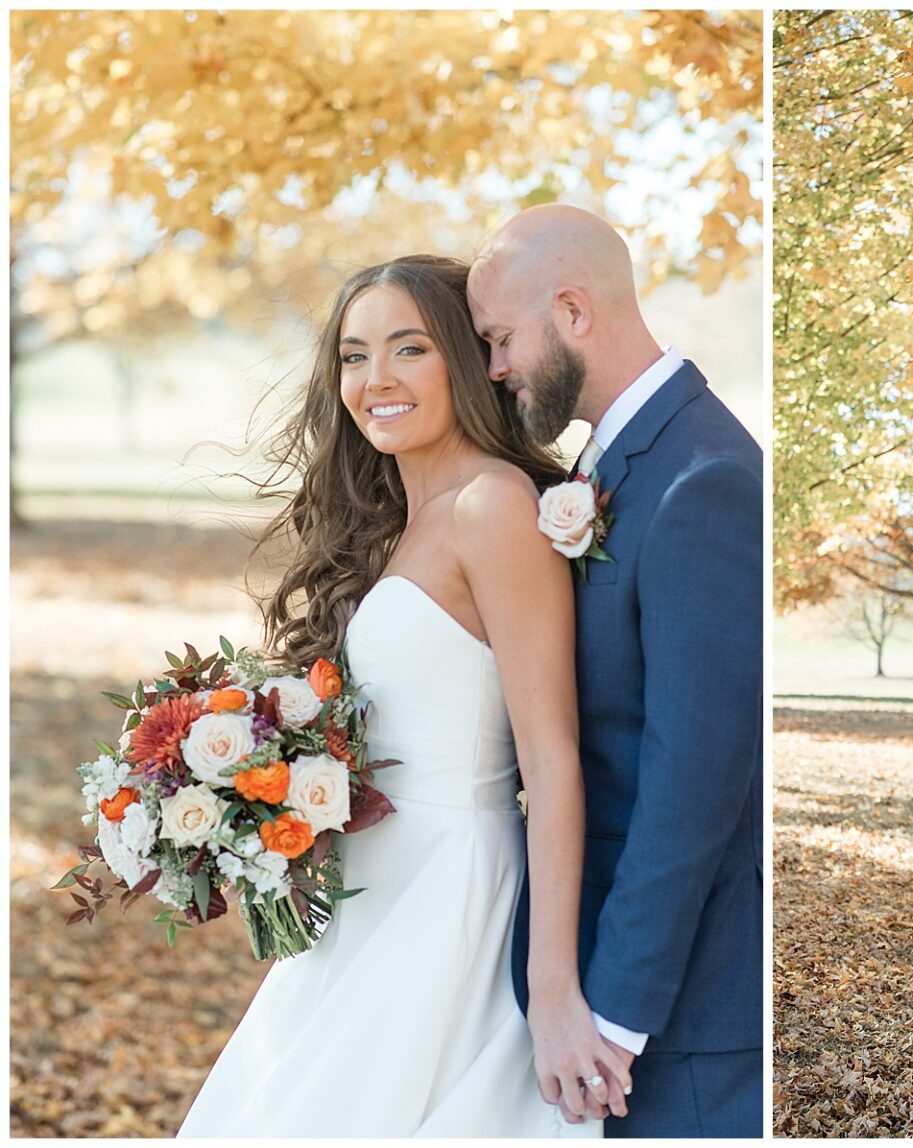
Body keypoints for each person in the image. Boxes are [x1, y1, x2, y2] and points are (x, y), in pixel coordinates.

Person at [179, 254, 618, 1136]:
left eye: (408, 349)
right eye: (352, 355)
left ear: (463, 358)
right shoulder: (396, 519)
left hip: (451, 894)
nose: (374, 379)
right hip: (368, 897)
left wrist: (554, 990)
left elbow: (554, 761)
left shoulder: (490, 508)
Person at [467, 204, 763, 1138]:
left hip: (680, 1025)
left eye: (501, 339)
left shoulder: (701, 476)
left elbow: (695, 778)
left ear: (573, 312)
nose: (496, 368)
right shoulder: (619, 461)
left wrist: (617, 1014)